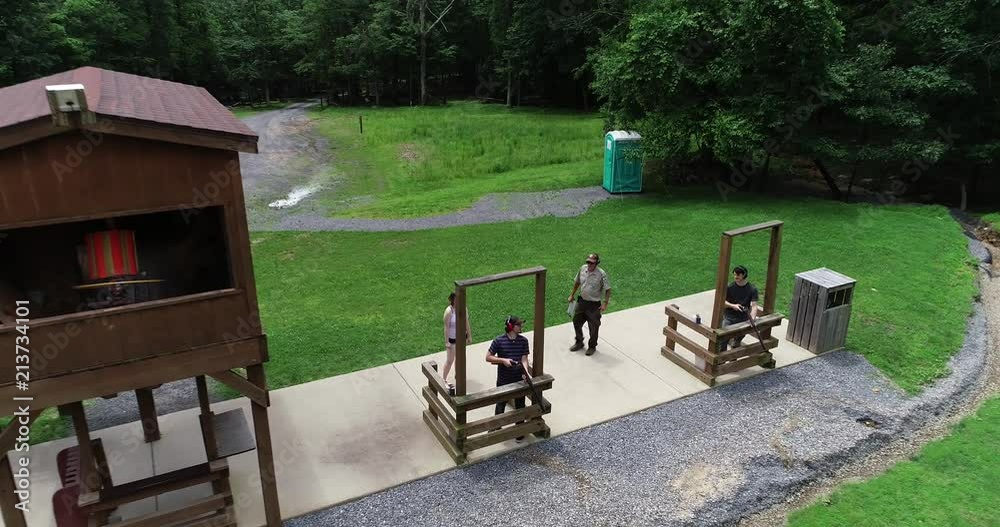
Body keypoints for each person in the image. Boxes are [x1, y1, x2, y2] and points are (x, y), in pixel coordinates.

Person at [486, 315, 530, 442]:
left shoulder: (523, 341)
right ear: (511, 326)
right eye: (518, 325)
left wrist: (525, 372)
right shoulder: (498, 341)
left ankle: (519, 429)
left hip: (518, 380)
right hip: (504, 379)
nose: (521, 327)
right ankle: (496, 427)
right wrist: (503, 360)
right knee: (500, 403)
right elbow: (488, 357)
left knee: (520, 404)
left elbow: (524, 359)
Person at [568, 253, 611, 355]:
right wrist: (572, 294)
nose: (589, 264)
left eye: (591, 263)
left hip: (594, 305)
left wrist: (605, 303)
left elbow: (608, 289)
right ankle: (579, 342)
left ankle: (592, 346)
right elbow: (577, 282)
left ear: (596, 263)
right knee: (576, 322)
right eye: (588, 262)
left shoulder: (601, 274)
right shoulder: (583, 269)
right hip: (582, 302)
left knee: (594, 327)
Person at [721, 265, 759, 352]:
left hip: (743, 318)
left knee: (740, 336)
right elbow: (723, 302)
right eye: (734, 275)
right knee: (723, 338)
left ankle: (735, 347)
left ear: (744, 275)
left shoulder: (752, 289)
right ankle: (721, 359)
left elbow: (754, 305)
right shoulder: (730, 288)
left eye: (738, 275)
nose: (735, 277)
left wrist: (752, 318)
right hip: (729, 317)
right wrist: (732, 306)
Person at [442, 292, 471, 394]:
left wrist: (469, 335)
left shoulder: (464, 309)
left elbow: (466, 322)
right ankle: (444, 379)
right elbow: (446, 327)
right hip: (452, 339)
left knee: (459, 359)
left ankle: (457, 375)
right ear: (452, 300)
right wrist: (447, 342)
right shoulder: (449, 311)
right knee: (450, 360)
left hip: (461, 338)